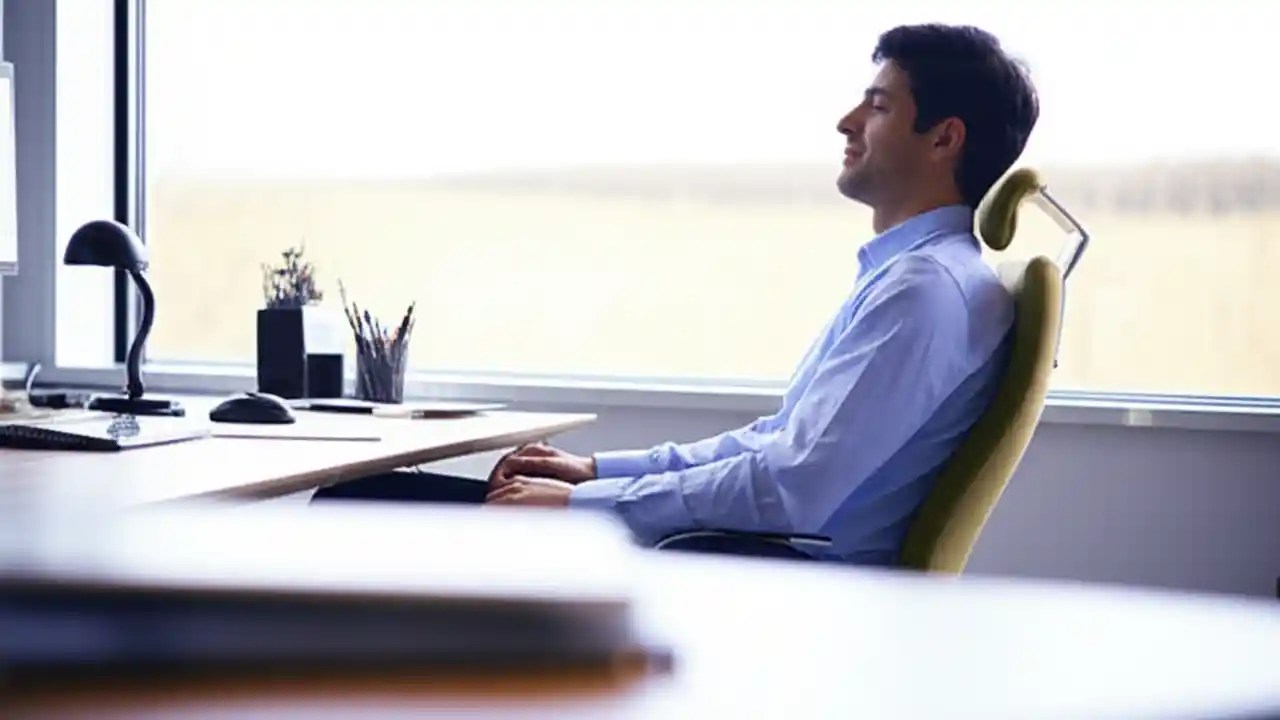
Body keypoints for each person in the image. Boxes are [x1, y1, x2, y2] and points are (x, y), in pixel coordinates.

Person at [314, 23, 1039, 565]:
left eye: (877, 106)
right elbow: (775, 446)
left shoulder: (924, 292)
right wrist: (596, 473)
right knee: (371, 502)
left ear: (943, 139)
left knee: (358, 509)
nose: (847, 122)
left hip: (767, 574)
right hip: (749, 552)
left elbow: (791, 490)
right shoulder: (919, 279)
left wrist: (581, 507)